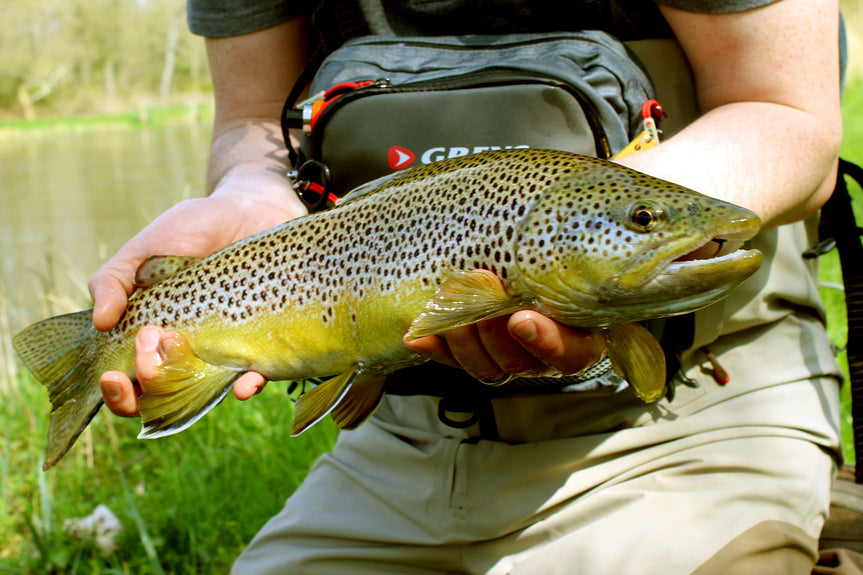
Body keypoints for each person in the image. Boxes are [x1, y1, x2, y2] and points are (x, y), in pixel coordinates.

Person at [91, 0, 847, 573]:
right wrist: (244, 197)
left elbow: (790, 115)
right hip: (397, 441)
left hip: (688, 422)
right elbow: (251, 125)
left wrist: (623, 233)